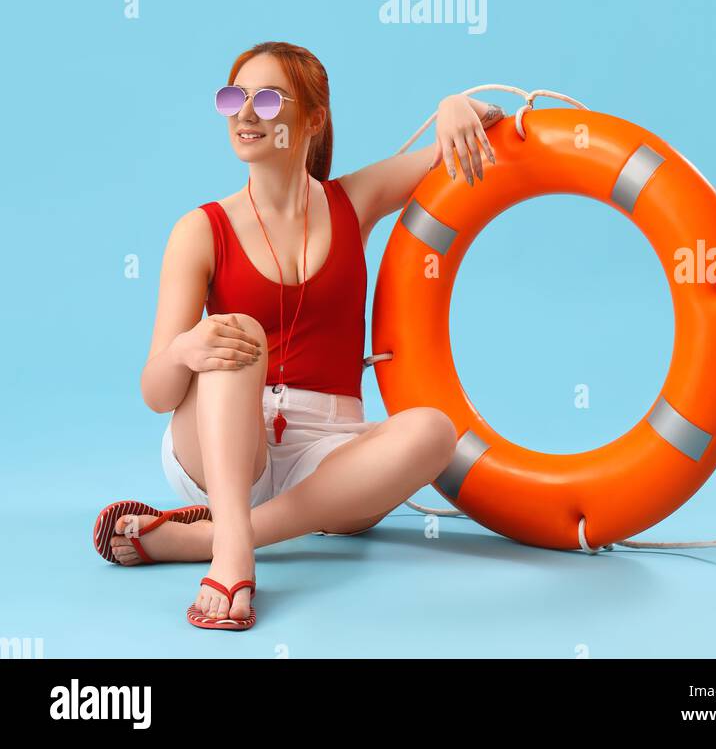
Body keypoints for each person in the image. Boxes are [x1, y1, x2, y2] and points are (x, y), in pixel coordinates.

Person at [96, 40, 504, 629]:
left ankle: (206, 537)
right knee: (240, 333)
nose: (243, 113)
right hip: (221, 446)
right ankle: (232, 552)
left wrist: (452, 103)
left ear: (312, 119)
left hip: (331, 458)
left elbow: (465, 138)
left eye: (266, 99)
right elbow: (157, 393)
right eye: (233, 97)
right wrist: (188, 347)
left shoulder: (352, 201)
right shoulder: (200, 229)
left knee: (434, 431)